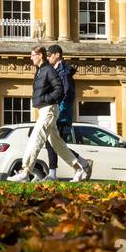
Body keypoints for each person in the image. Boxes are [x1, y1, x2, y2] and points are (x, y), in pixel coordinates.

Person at [8, 45, 92, 182]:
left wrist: (46, 99)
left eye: (33, 55)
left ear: (40, 55)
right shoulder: (40, 71)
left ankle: (25, 171)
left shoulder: (49, 70)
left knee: (36, 137)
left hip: (49, 110)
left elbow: (60, 90)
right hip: (44, 110)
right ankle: (79, 169)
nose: (31, 58)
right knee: (57, 144)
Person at [42, 44, 77, 181]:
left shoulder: (64, 72)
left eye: (49, 55)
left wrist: (59, 111)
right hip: (56, 111)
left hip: (60, 114)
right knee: (54, 143)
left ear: (57, 55)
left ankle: (53, 174)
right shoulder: (56, 71)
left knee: (53, 143)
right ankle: (82, 163)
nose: (48, 58)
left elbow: (68, 94)